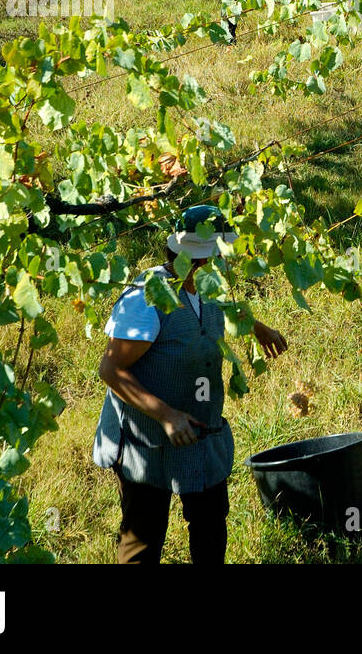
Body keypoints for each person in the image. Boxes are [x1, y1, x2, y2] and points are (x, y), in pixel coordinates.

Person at [92, 205, 288, 563]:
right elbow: (111, 369)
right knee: (143, 537)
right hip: (147, 441)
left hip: (201, 431)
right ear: (192, 259)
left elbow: (221, 304)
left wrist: (258, 328)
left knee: (210, 524)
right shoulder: (145, 300)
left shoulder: (208, 283)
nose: (222, 266)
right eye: (214, 259)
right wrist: (166, 415)